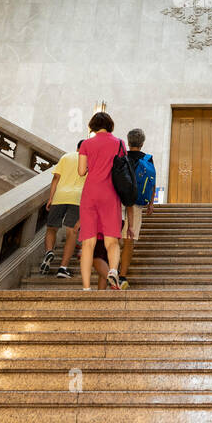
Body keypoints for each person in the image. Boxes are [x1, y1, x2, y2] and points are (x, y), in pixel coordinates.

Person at [77, 111, 124, 291]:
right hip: (110, 194)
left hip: (90, 194)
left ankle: (87, 287)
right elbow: (121, 168)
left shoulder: (86, 144)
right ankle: (112, 269)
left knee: (88, 243)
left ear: (93, 126)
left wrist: (92, 163)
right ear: (110, 125)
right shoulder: (119, 143)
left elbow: (81, 171)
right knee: (111, 241)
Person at [39, 140, 84, 278]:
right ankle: (63, 268)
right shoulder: (90, 161)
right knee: (72, 232)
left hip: (60, 196)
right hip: (78, 198)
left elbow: (55, 179)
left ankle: (49, 251)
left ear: (77, 148)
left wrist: (51, 198)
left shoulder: (66, 157)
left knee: (51, 228)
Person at [119, 128, 155, 285]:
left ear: (128, 141)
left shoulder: (121, 157)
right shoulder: (148, 159)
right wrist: (151, 203)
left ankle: (111, 268)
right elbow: (152, 182)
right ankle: (122, 275)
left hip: (117, 201)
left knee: (113, 238)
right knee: (129, 240)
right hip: (136, 203)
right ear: (142, 143)